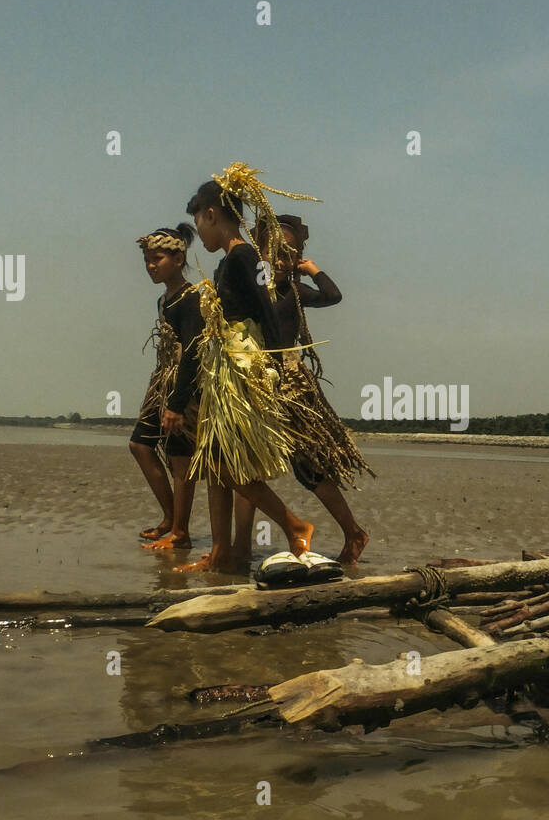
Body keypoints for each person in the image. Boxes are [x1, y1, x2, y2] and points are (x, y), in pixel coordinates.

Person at [175, 174, 314, 574]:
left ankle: (294, 524)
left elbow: (267, 310)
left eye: (199, 221)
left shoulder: (245, 258)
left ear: (212, 214)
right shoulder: (229, 261)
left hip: (242, 367)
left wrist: (272, 366)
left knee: (222, 464)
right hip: (222, 368)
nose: (199, 231)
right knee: (217, 461)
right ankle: (223, 553)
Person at [236, 214, 374, 564]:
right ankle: (239, 547)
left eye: (289, 254)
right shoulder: (253, 292)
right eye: (274, 253)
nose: (281, 261)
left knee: (310, 469)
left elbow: (333, 295)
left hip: (291, 389)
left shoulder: (296, 291)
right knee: (246, 465)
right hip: (255, 385)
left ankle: (354, 533)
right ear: (260, 254)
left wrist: (311, 268)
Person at [128, 225, 201, 551]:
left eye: (157, 259)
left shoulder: (190, 298)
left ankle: (180, 532)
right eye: (146, 260)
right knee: (140, 445)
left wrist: (177, 400)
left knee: (180, 457)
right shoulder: (164, 299)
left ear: (178, 257)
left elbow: (193, 351)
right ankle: (171, 520)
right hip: (162, 380)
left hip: (183, 385)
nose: (150, 266)